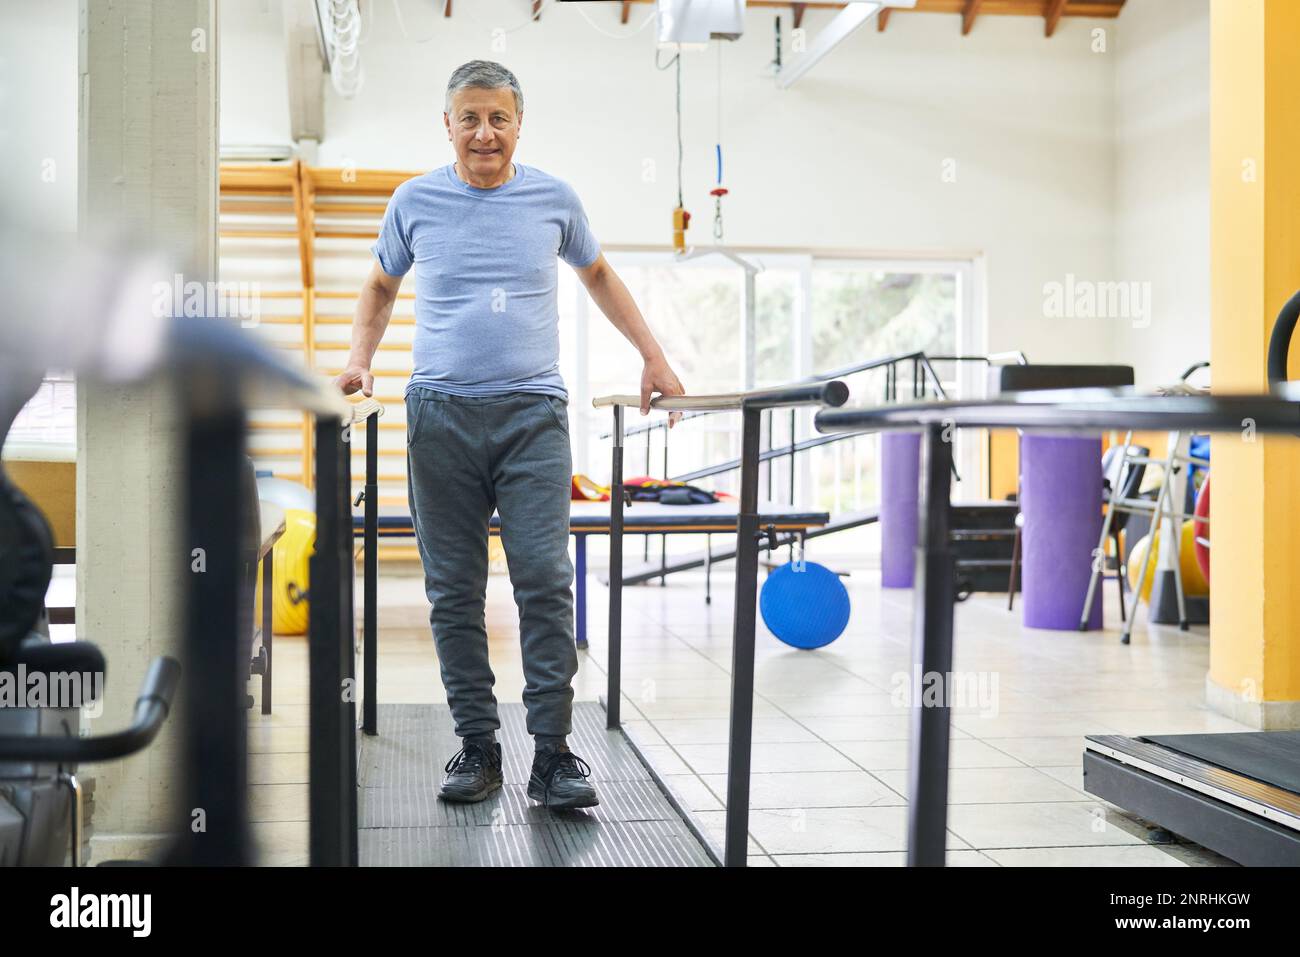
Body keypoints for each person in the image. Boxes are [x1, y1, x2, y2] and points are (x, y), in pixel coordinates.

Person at [333, 60, 685, 810]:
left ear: (519, 122)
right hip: (439, 418)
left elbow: (599, 277)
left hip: (533, 417)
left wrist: (653, 356)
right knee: (453, 593)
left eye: (498, 117)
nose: (484, 132)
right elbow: (379, 286)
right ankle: (478, 746)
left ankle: (553, 754)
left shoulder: (553, 198)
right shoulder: (414, 200)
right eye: (470, 117)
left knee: (545, 582)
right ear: (449, 125)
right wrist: (359, 359)